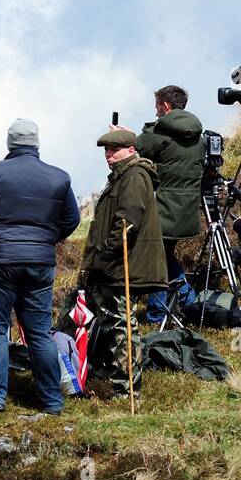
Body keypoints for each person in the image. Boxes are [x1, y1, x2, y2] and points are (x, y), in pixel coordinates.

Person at [0, 118, 80, 413]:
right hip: (39, 263)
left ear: (10, 143)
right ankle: (51, 401)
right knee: (39, 332)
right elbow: (71, 219)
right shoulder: (59, 178)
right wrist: (46, 240)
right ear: (37, 144)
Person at [77, 129, 167, 399]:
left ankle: (126, 390)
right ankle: (112, 380)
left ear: (130, 150)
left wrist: (104, 254)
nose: (108, 154)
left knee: (122, 326)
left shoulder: (134, 175)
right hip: (115, 264)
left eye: (114, 149)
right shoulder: (122, 175)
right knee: (116, 324)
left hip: (123, 265)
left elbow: (127, 223)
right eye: (105, 150)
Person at [128, 85, 203, 324]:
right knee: (163, 255)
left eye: (157, 107)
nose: (156, 112)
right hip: (187, 210)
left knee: (156, 258)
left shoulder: (159, 134)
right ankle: (181, 304)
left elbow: (133, 150)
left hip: (162, 208)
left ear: (165, 106)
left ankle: (167, 309)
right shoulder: (198, 136)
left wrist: (123, 134)